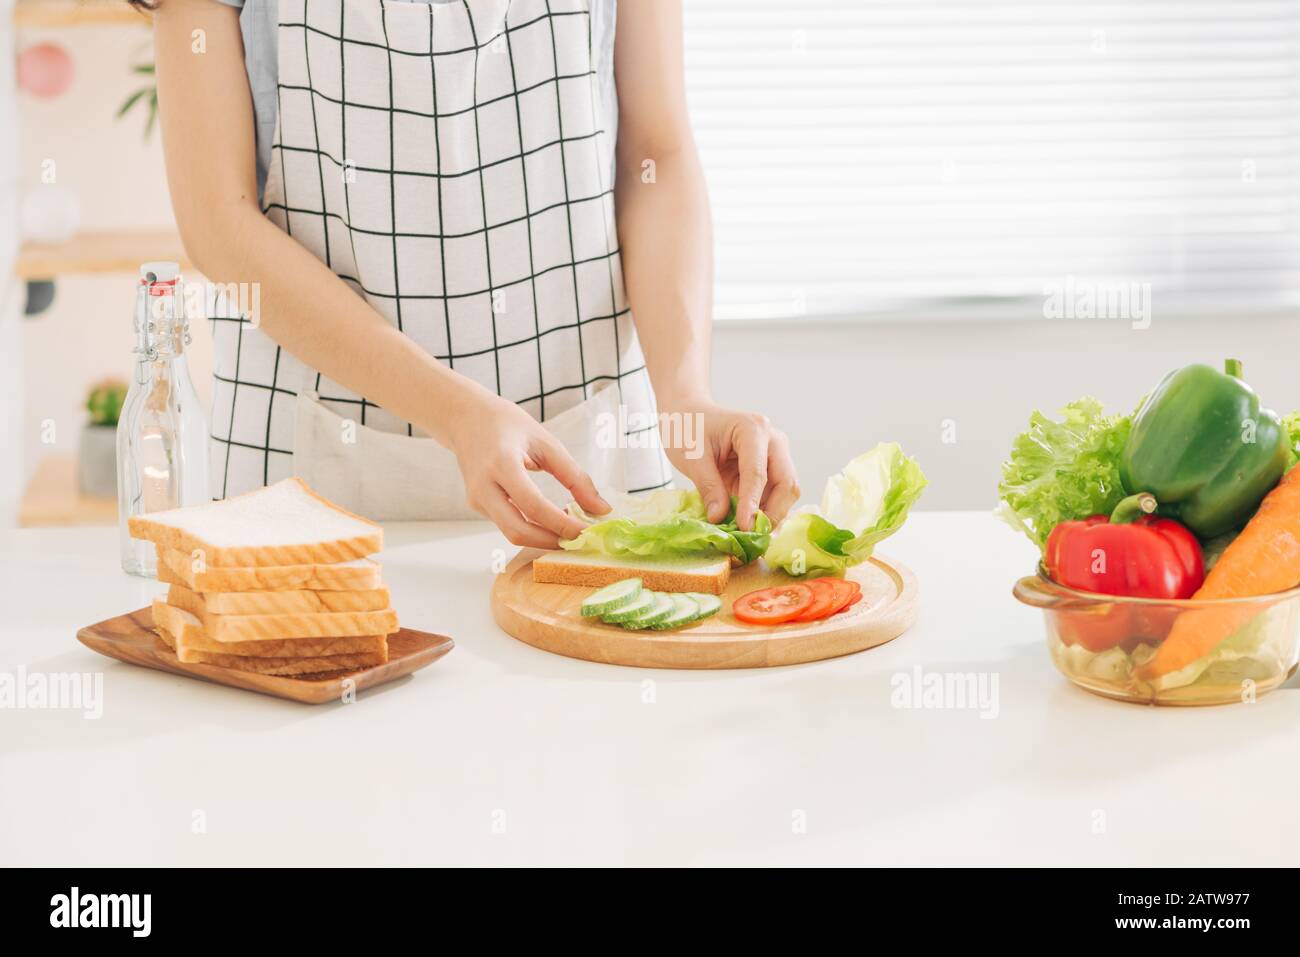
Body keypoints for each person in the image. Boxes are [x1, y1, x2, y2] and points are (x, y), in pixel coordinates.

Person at [143, 0, 799, 546]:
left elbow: (655, 156)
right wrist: (455, 415)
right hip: (303, 473)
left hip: (589, 441)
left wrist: (686, 396)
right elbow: (217, 222)